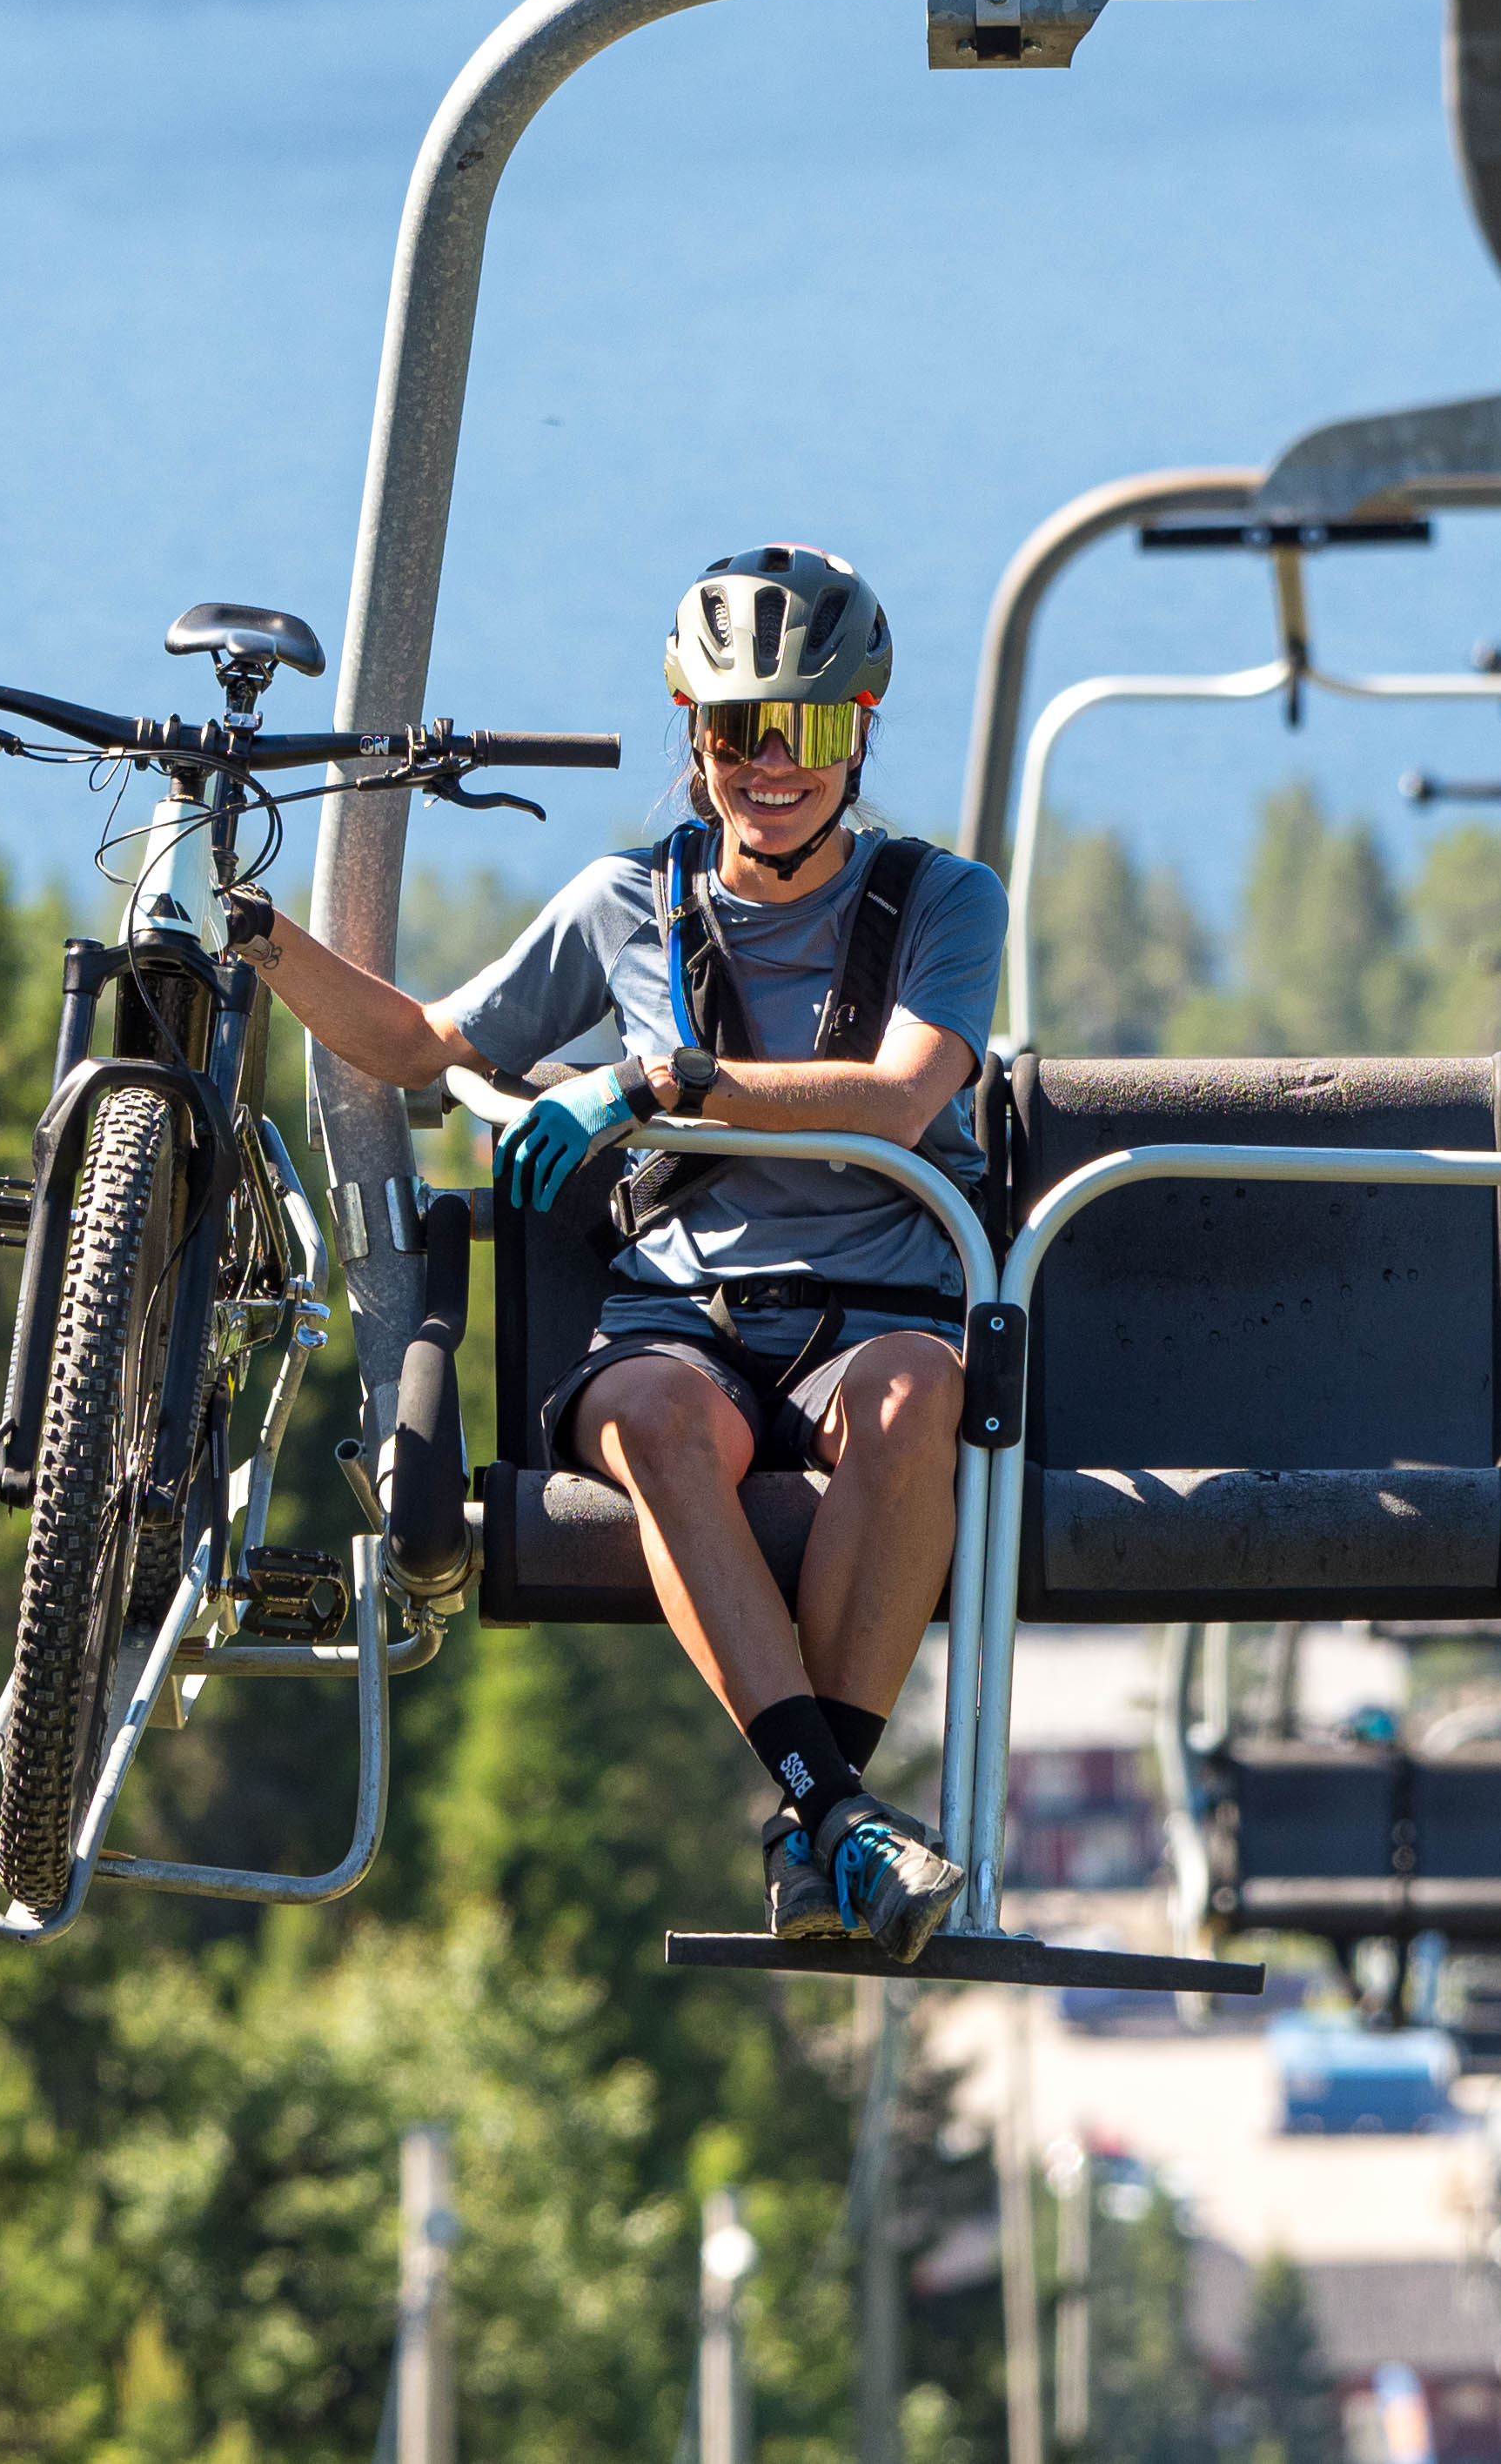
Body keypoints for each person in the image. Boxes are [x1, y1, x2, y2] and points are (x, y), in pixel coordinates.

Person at [228, 545, 1006, 1962]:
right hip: (687, 1311)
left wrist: (653, 1084)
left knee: (914, 1400)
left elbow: (900, 1097)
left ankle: (812, 1824)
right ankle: (838, 1818)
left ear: (863, 729)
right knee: (648, 1418)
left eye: (808, 729)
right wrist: (253, 929)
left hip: (879, 1301)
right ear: (688, 730)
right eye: (733, 730)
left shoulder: (944, 903)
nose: (772, 765)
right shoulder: (624, 905)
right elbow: (419, 1044)